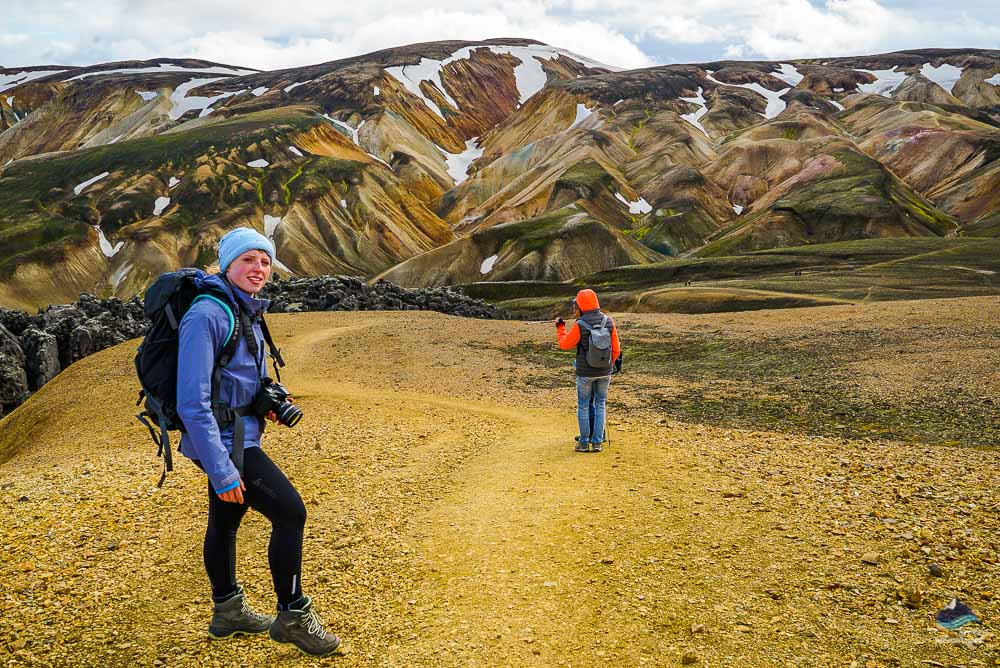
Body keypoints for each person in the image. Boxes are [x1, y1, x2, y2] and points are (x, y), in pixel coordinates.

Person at [176, 227, 340, 656]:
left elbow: (240, 378)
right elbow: (192, 404)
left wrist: (264, 402)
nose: (259, 269)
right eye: (249, 260)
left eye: (265, 261)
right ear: (228, 264)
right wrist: (223, 469)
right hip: (226, 444)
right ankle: (293, 614)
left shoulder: (243, 309)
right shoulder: (207, 315)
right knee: (290, 512)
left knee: (225, 522)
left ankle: (227, 611)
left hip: (238, 435)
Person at [555, 289, 622, 453]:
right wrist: (608, 366)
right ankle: (597, 442)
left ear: (580, 305)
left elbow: (564, 344)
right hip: (605, 372)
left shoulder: (580, 324)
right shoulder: (609, 321)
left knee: (584, 406)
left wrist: (560, 327)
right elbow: (616, 350)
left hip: (585, 374)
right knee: (600, 405)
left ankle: (584, 443)